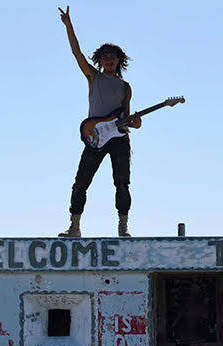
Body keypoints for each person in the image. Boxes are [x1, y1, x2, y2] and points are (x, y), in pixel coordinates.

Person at [57, 6, 141, 238]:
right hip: (95, 136)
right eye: (105, 57)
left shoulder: (125, 87)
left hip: (119, 139)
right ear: (100, 60)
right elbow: (77, 53)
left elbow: (125, 117)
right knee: (81, 182)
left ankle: (123, 228)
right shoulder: (94, 77)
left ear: (119, 60)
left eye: (113, 57)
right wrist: (68, 25)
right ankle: (74, 227)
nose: (109, 60)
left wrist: (134, 123)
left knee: (122, 183)